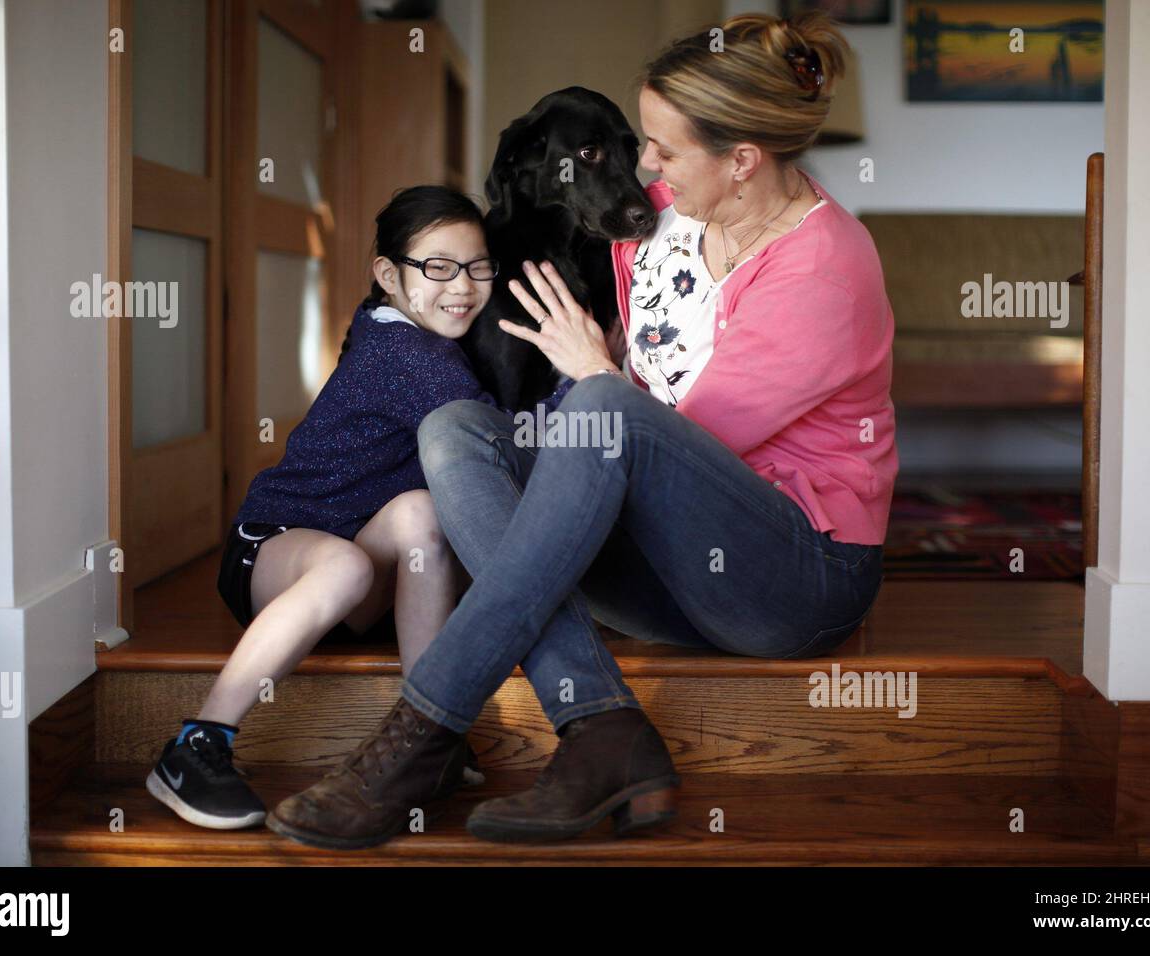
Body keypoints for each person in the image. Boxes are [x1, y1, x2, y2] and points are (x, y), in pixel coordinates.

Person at [267, 9, 897, 848]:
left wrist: (598, 372)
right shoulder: (665, 217)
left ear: (741, 161)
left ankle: (419, 735)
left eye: (665, 150)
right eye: (642, 141)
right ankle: (603, 729)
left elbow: (672, 439)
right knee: (458, 427)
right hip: (665, 565)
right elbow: (548, 219)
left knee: (596, 407)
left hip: (786, 577)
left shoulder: (825, 268)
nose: (645, 167)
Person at [146, 185, 573, 830]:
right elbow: (503, 447)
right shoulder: (409, 355)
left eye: (477, 266)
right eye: (437, 267)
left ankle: (432, 735)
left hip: (366, 567)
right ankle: (197, 743)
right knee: (346, 563)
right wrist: (585, 372)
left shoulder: (384, 321)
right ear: (388, 274)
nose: (462, 286)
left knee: (420, 516)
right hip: (274, 547)